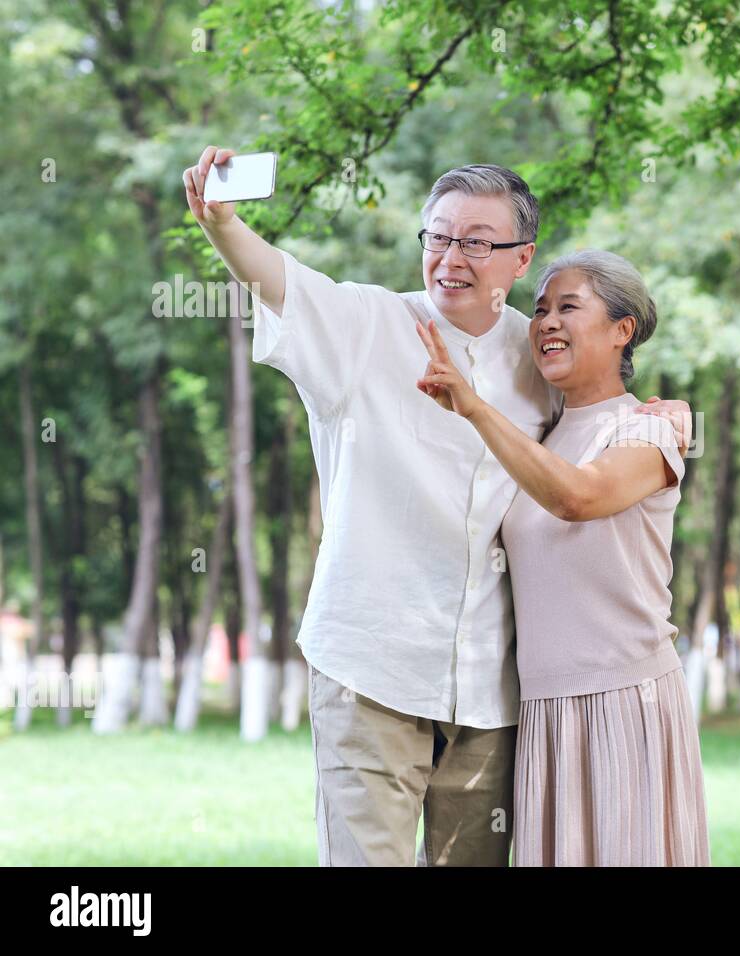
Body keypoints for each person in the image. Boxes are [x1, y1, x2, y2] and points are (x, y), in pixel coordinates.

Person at [182, 147, 692, 866]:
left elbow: (594, 437)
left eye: (477, 242)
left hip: (493, 688)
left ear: (521, 258)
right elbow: (281, 282)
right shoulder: (365, 325)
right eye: (440, 237)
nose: (453, 257)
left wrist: (661, 414)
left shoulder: (539, 357)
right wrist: (222, 224)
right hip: (372, 665)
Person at [415, 249, 709, 866]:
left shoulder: (647, 431)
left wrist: (472, 406)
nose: (546, 321)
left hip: (624, 702)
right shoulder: (544, 434)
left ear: (622, 330)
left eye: (569, 307)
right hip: (544, 714)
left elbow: (579, 497)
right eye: (541, 308)